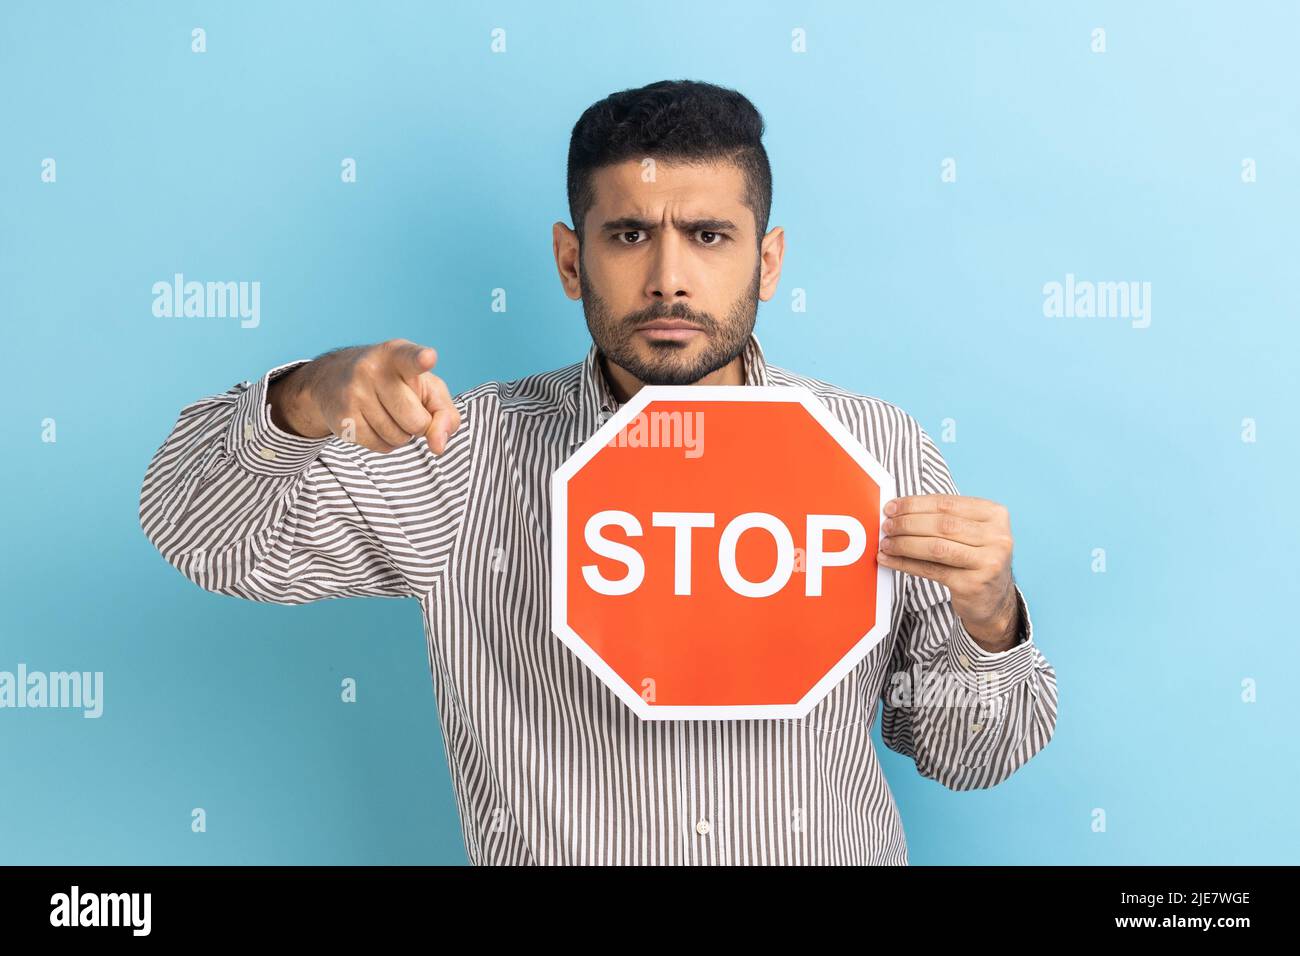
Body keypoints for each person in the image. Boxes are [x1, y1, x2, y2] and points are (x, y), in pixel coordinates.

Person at [139, 79, 1057, 865]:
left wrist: (989, 619)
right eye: (627, 236)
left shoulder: (878, 451)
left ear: (766, 261)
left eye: (707, 235)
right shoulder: (464, 456)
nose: (668, 279)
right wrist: (305, 396)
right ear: (570, 260)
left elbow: (969, 753)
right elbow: (204, 537)